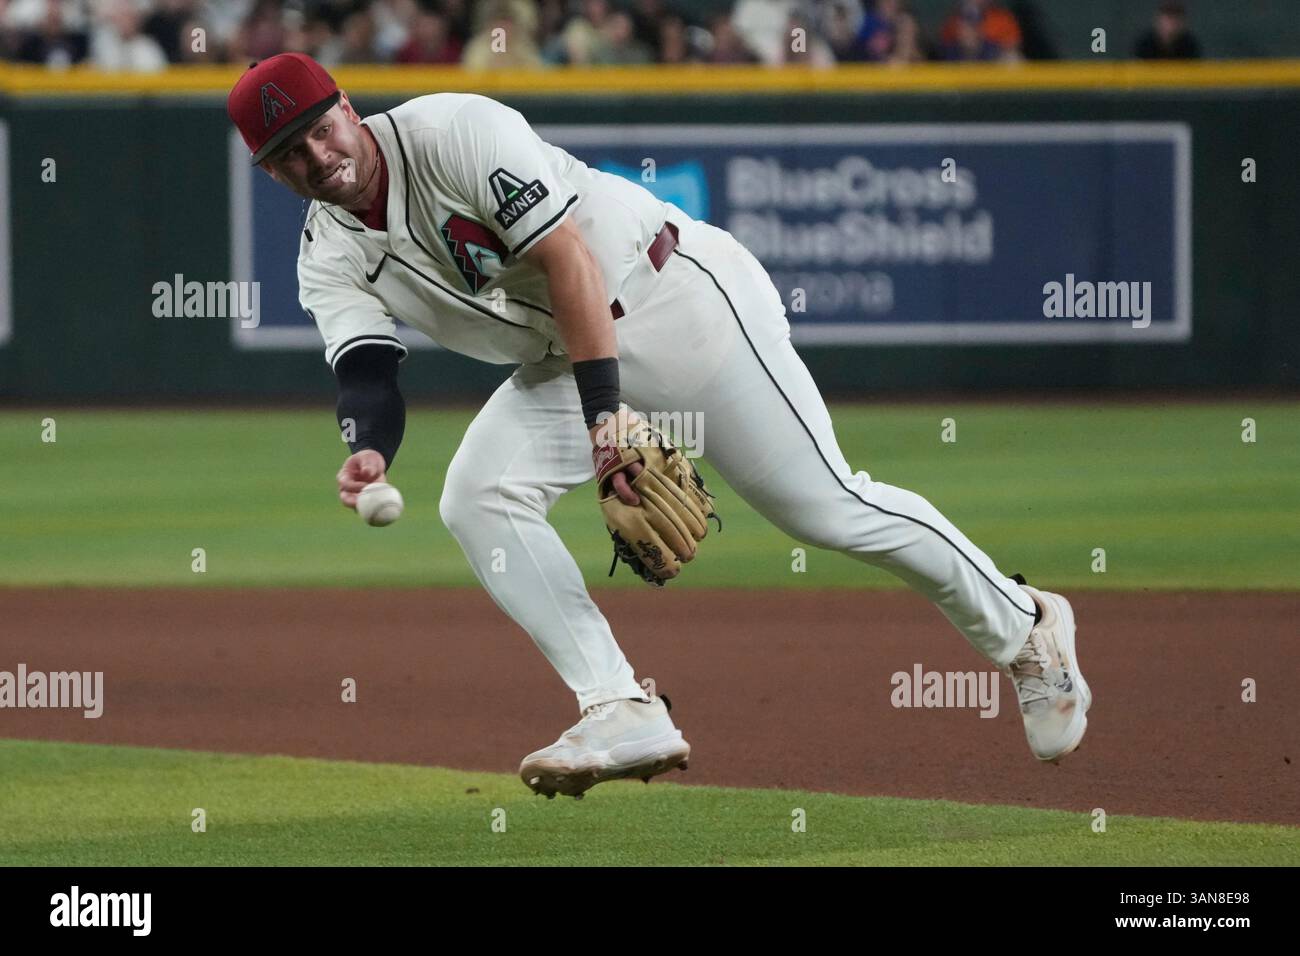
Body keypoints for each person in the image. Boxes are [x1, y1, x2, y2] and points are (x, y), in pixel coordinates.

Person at [226, 53, 1092, 799]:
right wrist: (368, 448)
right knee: (478, 495)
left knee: (827, 508)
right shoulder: (325, 251)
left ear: (346, 107)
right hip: (565, 359)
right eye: (289, 152)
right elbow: (366, 370)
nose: (317, 156)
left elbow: (566, 259)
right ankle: (619, 707)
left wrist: (607, 427)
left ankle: (1027, 628)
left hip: (670, 300)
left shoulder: (453, 130)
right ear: (271, 173)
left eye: (319, 128)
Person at [1135, 1, 1200, 60]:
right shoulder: (1145, 44)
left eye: (1176, 17)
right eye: (1168, 17)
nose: (1172, 22)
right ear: (1158, 19)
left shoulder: (1190, 45)